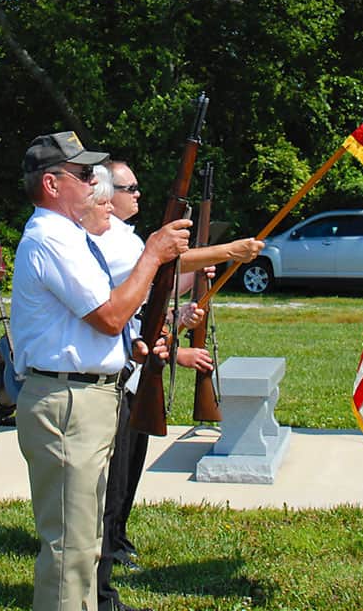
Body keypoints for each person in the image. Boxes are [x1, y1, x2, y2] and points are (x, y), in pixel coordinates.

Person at [10, 133, 192, 611]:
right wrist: (152, 254)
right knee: (71, 546)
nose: (96, 183)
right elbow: (109, 314)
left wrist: (128, 343)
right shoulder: (52, 238)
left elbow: (99, 324)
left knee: (86, 539)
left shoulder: (70, 237)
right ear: (52, 184)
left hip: (85, 396)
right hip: (68, 402)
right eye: (84, 175)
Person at [95, 159, 264, 609]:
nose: (137, 195)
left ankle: (114, 544)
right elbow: (172, 262)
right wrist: (230, 251)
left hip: (132, 373)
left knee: (125, 473)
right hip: (115, 375)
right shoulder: (111, 239)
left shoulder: (125, 238)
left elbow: (160, 283)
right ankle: (103, 567)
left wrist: (176, 316)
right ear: (106, 194)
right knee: (110, 484)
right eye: (129, 188)